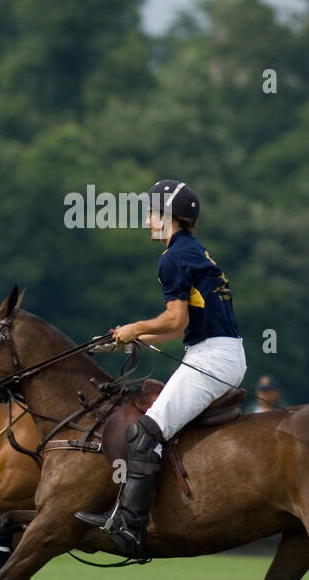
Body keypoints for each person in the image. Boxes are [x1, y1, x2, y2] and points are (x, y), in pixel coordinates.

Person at [76, 179, 246, 555]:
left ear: (168, 216)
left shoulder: (172, 258)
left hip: (211, 358)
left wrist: (137, 327)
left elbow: (175, 322)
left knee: (143, 432)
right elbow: (176, 326)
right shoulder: (195, 251)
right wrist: (131, 338)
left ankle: (129, 527)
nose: (147, 220)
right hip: (216, 352)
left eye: (151, 212)